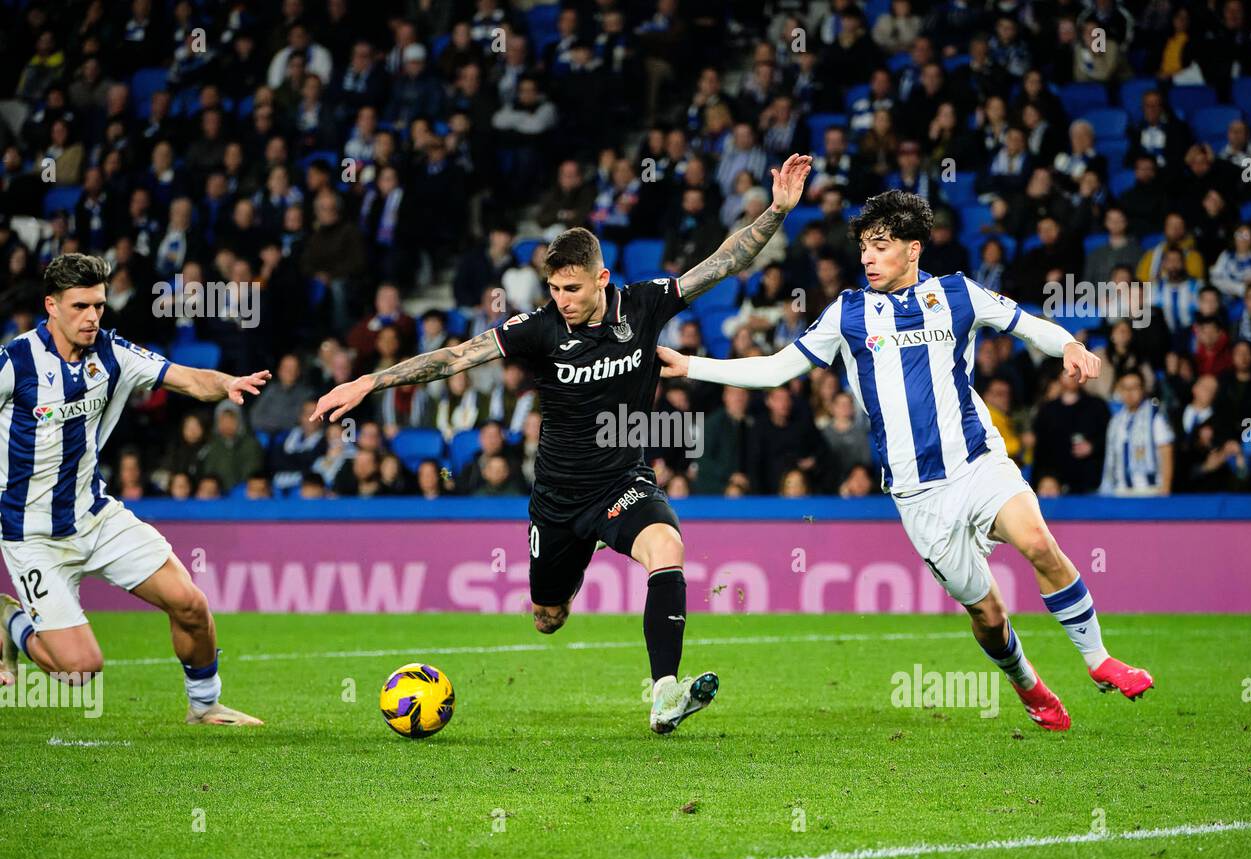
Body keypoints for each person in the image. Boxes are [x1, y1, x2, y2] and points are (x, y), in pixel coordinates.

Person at [315, 154, 813, 734]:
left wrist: (777, 210)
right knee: (548, 618)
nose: (562, 299)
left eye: (572, 288)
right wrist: (369, 381)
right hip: (556, 498)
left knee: (667, 548)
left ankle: (664, 693)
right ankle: (569, 577)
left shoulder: (646, 303)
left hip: (623, 482)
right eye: (553, 288)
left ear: (602, 278)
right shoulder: (538, 327)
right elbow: (455, 357)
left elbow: (724, 263)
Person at [657, 190, 1153, 732]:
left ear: (913, 249)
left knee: (1038, 542)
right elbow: (777, 370)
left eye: (881, 246)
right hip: (919, 495)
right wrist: (692, 365)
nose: (868, 258)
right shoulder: (847, 313)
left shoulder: (958, 294)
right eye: (864, 248)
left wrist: (1070, 347)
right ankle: (1028, 685)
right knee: (987, 615)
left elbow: (1027, 324)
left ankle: (1098, 658)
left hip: (977, 462)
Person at [0, 254, 268, 725]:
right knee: (80, 671)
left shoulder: (112, 352)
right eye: (81, 306)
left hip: (96, 516)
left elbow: (184, 377)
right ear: (52, 306)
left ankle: (204, 706)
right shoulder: (14, 362)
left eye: (99, 306)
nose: (92, 317)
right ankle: (10, 620)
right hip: (32, 536)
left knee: (190, 603)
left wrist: (228, 383)